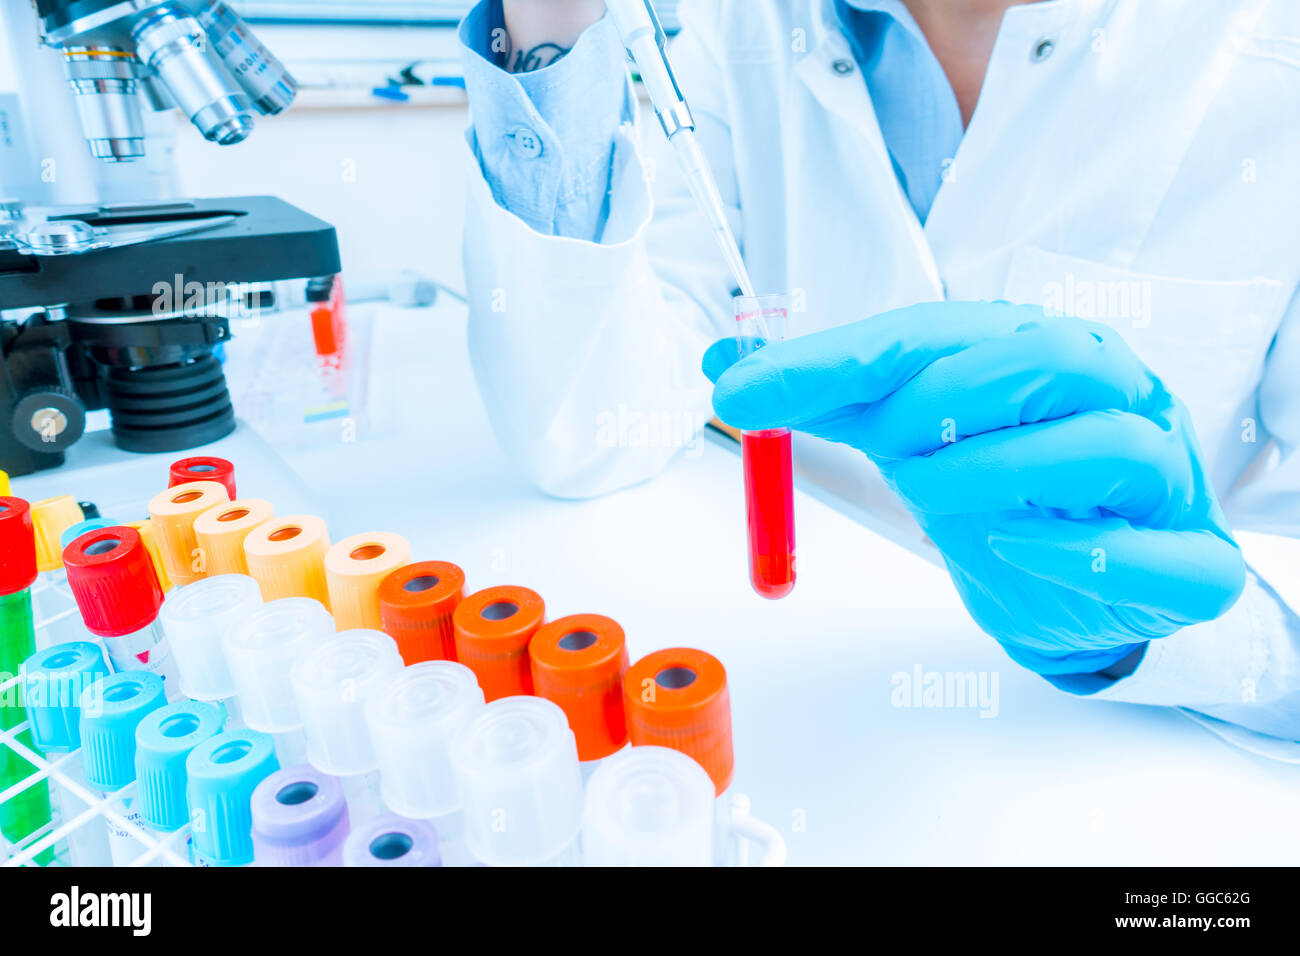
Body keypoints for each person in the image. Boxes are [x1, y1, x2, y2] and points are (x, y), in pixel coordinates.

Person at [456, 0, 1300, 744]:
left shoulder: (1270, 44)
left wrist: (1188, 634)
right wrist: (551, 22)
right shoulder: (743, 29)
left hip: (1138, 774)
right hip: (806, 707)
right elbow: (581, 434)